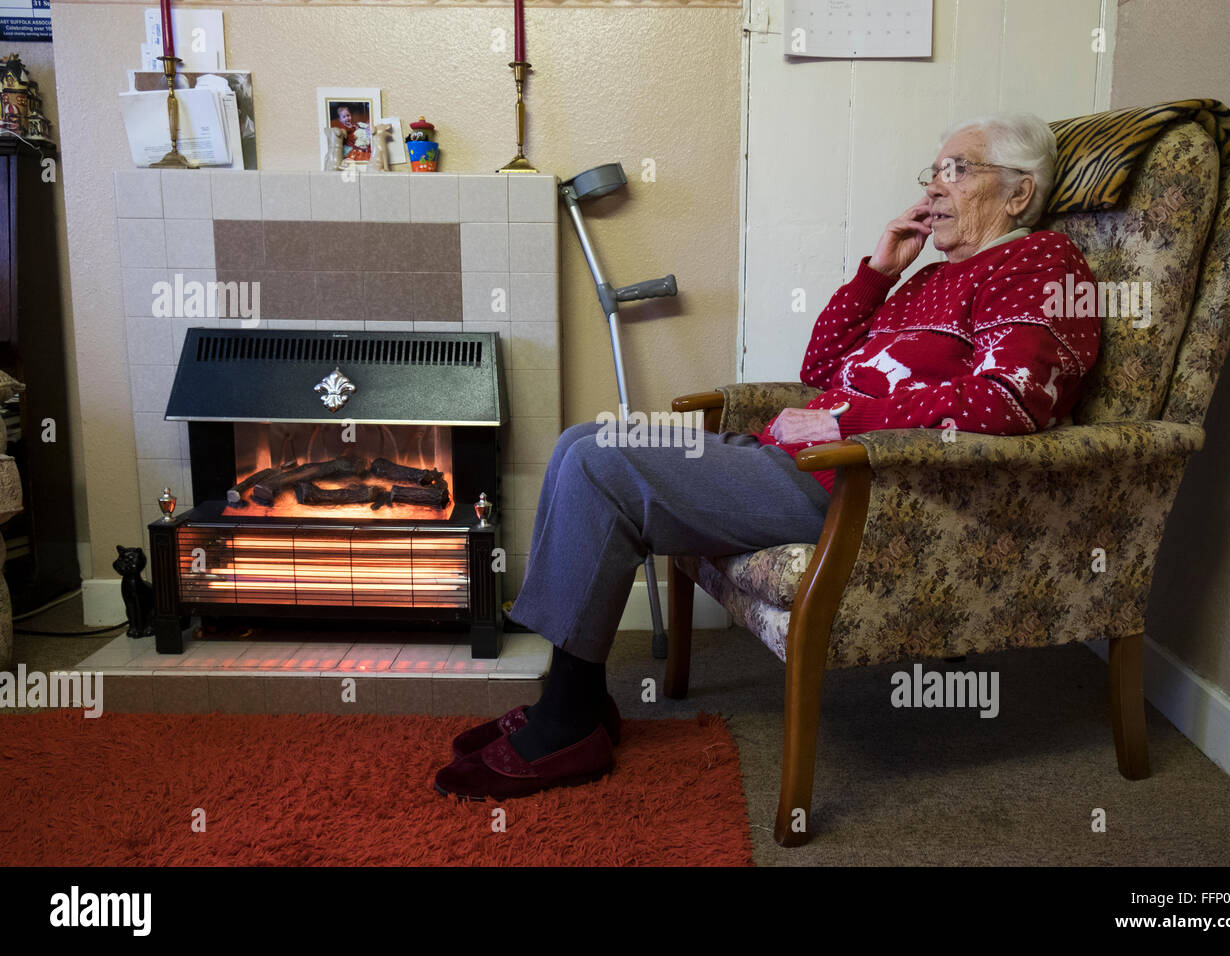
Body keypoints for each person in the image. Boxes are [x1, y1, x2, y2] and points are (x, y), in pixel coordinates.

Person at [433, 113, 1100, 801]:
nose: (933, 188)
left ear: (1019, 194)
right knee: (581, 441)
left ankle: (567, 721)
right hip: (800, 461)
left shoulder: (1041, 262)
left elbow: (1015, 401)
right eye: (932, 171)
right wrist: (878, 273)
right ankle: (579, 699)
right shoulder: (927, 278)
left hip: (869, 486)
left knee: (602, 462)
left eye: (955, 169)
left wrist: (848, 418)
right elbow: (821, 367)